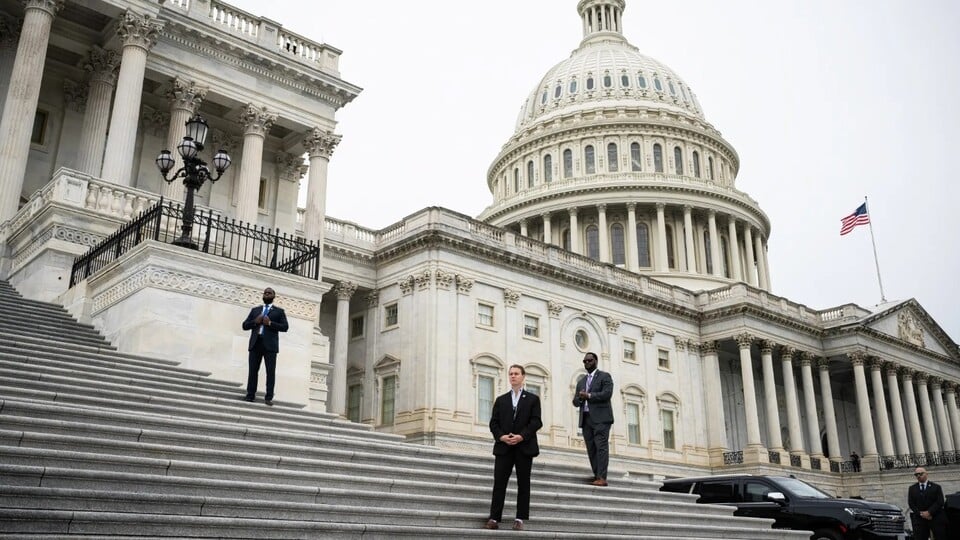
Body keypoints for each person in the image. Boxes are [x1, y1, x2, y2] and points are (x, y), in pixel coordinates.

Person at [484, 364, 542, 531]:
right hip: (504, 447)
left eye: (516, 374)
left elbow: (536, 421)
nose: (513, 376)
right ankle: (494, 518)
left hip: (524, 447)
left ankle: (519, 519)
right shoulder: (501, 400)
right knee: (499, 483)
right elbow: (493, 423)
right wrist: (501, 436)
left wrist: (521, 436)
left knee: (524, 484)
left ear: (523, 377)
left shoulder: (533, 399)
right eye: (510, 374)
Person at [572, 351, 614, 486]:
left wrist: (589, 396)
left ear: (595, 361)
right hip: (586, 419)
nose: (586, 363)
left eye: (589, 360)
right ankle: (597, 475)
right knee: (591, 448)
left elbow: (607, 394)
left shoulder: (604, 376)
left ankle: (602, 477)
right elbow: (575, 402)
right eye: (584, 361)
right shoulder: (581, 381)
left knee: (601, 447)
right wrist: (579, 398)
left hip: (601, 419)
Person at [242, 287, 289, 405]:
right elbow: (244, 325)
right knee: (253, 371)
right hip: (255, 343)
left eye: (269, 293)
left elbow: (285, 327)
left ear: (273, 296)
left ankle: (268, 397)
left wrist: (270, 323)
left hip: (270, 346)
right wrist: (255, 322)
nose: (267, 294)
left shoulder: (279, 311)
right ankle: (250, 395)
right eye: (265, 293)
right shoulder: (255, 310)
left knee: (270, 372)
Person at [907, 467, 948, 540]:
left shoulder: (936, 487)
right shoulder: (912, 488)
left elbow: (940, 502)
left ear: (926, 474)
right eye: (916, 475)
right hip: (920, 520)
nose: (918, 476)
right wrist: (921, 514)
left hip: (935, 517)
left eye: (921, 474)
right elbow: (911, 503)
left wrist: (929, 512)